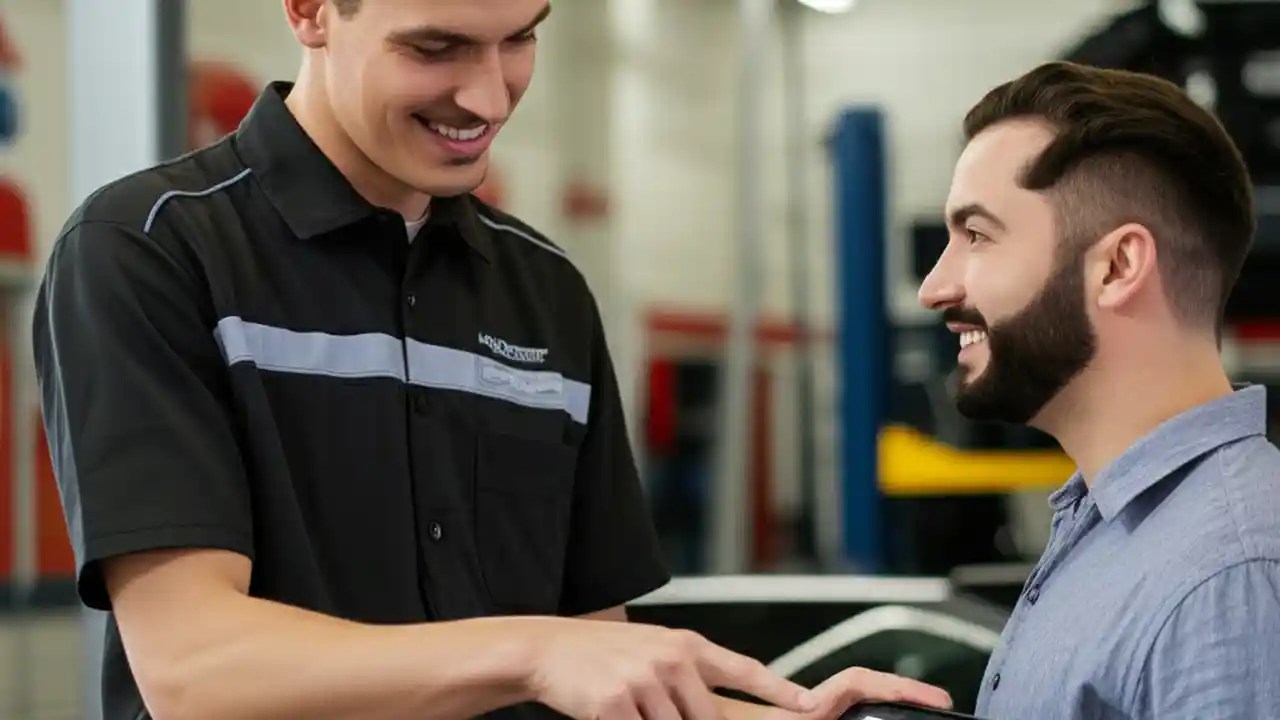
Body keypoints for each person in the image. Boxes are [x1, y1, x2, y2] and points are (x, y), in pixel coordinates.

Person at [32, 1, 953, 719]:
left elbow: (596, 664)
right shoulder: (151, 252)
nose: (490, 96)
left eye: (519, 39)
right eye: (436, 49)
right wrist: (534, 651)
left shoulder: (544, 291)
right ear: (311, 14)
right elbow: (196, 673)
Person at [919, 60, 1280, 718]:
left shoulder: (1226, 581)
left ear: (1117, 266)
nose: (934, 287)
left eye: (976, 236)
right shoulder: (1118, 531)